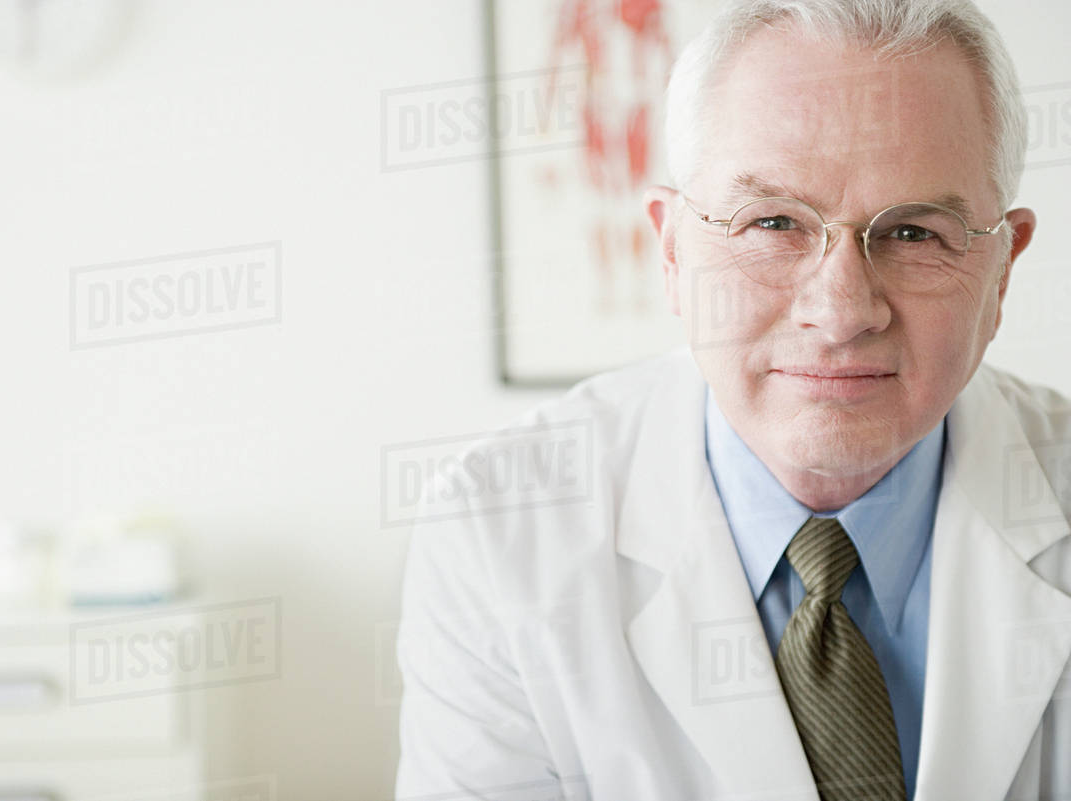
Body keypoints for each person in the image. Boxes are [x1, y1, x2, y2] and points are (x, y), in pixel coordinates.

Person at [395, 0, 1071, 798]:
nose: (843, 310)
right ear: (674, 251)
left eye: (914, 232)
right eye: (774, 221)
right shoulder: (498, 534)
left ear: (1002, 271)